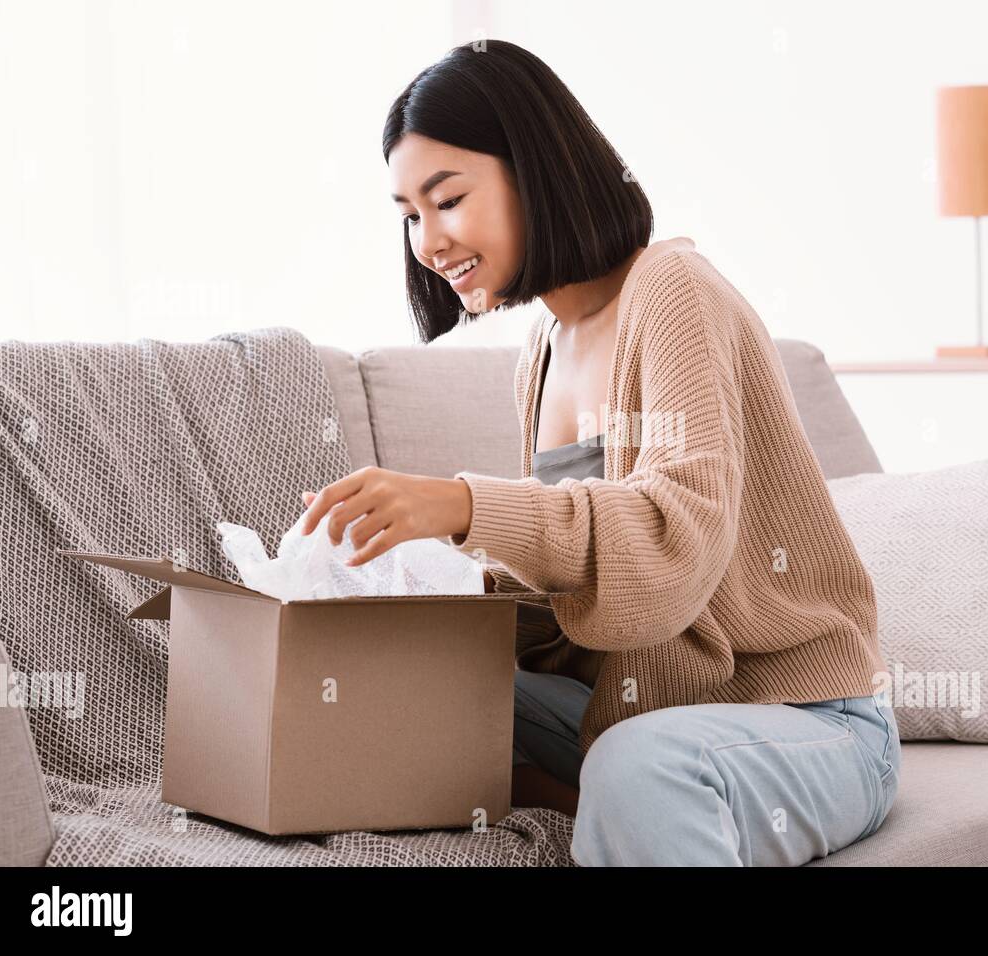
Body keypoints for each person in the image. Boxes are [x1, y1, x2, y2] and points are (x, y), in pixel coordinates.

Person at [304, 38, 900, 866]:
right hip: (644, 706)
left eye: (447, 200)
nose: (428, 243)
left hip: (809, 719)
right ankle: (586, 811)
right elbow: (577, 612)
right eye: (410, 214)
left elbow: (672, 549)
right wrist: (423, 602)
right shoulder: (541, 351)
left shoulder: (672, 291)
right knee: (417, 696)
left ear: (533, 168)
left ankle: (612, 802)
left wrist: (469, 506)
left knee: (638, 765)